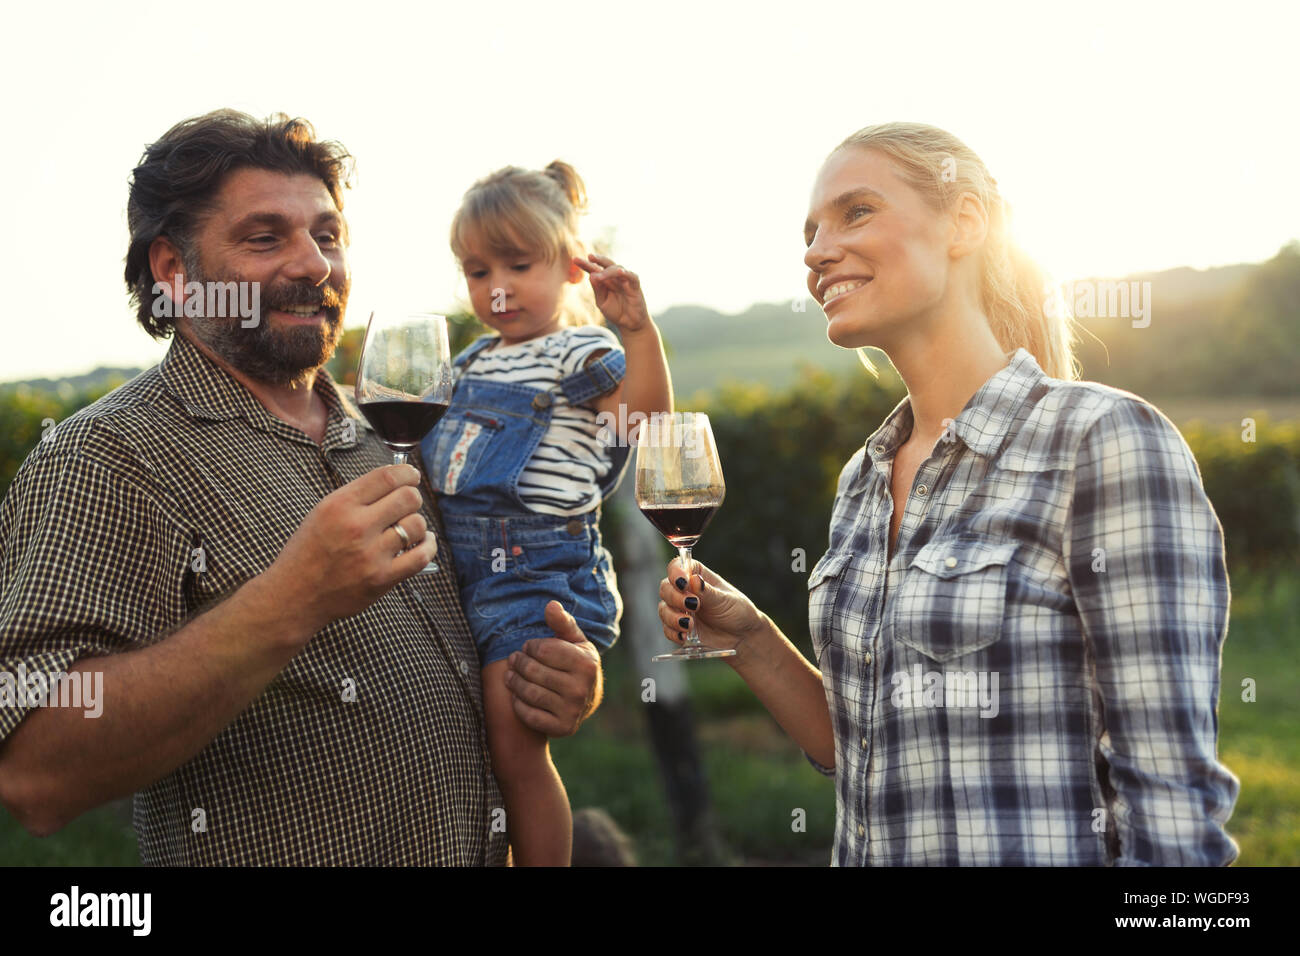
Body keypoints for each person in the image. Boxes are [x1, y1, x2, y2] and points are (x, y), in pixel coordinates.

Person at [0, 110, 603, 866]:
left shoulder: (396, 436)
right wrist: (293, 598)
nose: (315, 265)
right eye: (265, 237)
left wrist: (550, 676)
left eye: (327, 235)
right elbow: (33, 770)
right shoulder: (106, 457)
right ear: (173, 271)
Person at [656, 122, 1240, 866]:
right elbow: (868, 754)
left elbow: (1172, 812)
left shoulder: (1102, 440)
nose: (815, 250)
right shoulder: (863, 478)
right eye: (809, 231)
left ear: (965, 222)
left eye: (855, 212)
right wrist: (749, 641)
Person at [422, 162, 672, 865]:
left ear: (570, 266)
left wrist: (639, 334)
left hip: (539, 572)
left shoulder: (579, 350)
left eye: (517, 265)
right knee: (469, 748)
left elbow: (642, 427)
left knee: (513, 742)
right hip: (461, 570)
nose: (495, 288)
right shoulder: (468, 362)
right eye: (476, 271)